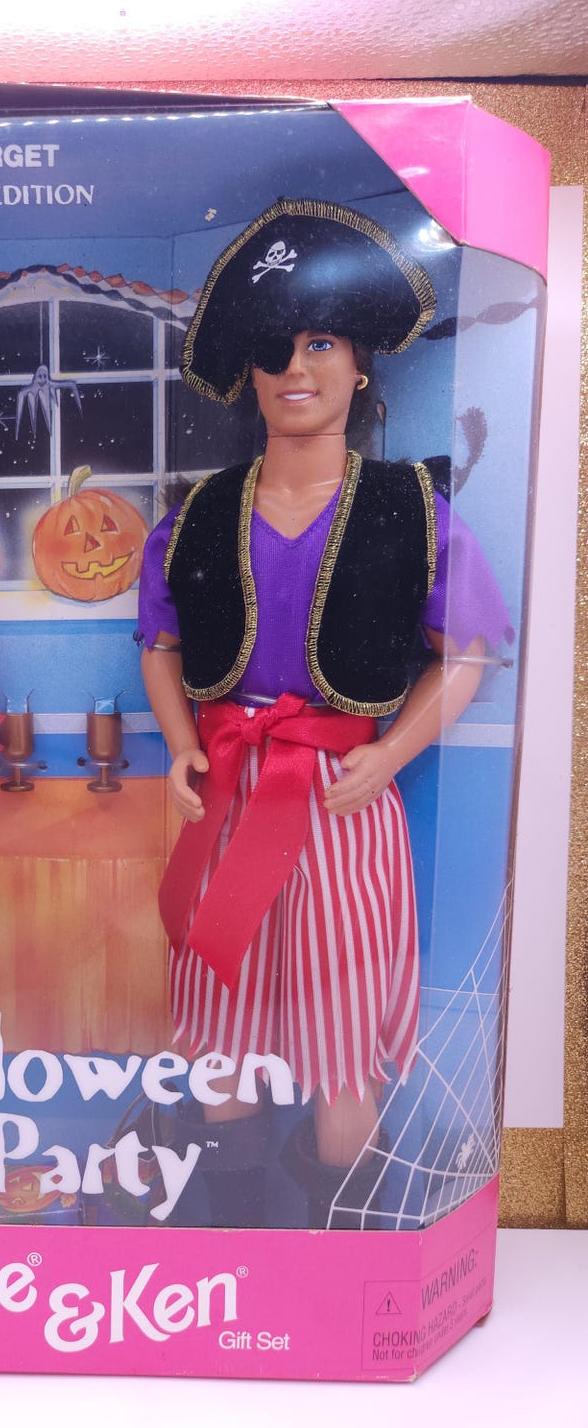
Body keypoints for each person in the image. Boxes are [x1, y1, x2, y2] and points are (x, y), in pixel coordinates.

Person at [139, 199, 511, 1228]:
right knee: (222, 1022)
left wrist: (390, 754)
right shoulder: (197, 515)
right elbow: (160, 646)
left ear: (359, 367)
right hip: (229, 788)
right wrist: (182, 745)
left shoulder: (410, 509)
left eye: (320, 345)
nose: (295, 369)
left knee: (343, 1037)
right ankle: (236, 1227)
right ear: (249, 375)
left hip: (345, 797)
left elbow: (466, 651)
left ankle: (349, 1238)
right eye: (275, 350)